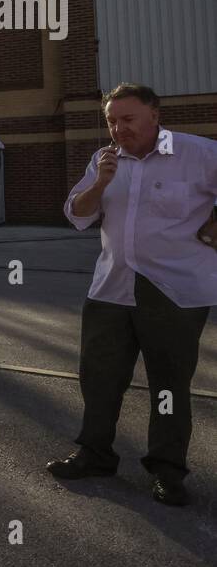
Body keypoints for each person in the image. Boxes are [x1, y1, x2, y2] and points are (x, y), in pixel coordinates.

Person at [48, 83, 217, 506]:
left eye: (128, 119)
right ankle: (94, 453)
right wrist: (101, 183)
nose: (118, 128)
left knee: (168, 385)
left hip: (175, 292)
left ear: (154, 117)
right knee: (100, 377)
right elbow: (78, 216)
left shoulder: (197, 153)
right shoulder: (104, 161)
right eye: (111, 121)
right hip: (112, 288)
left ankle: (167, 470)